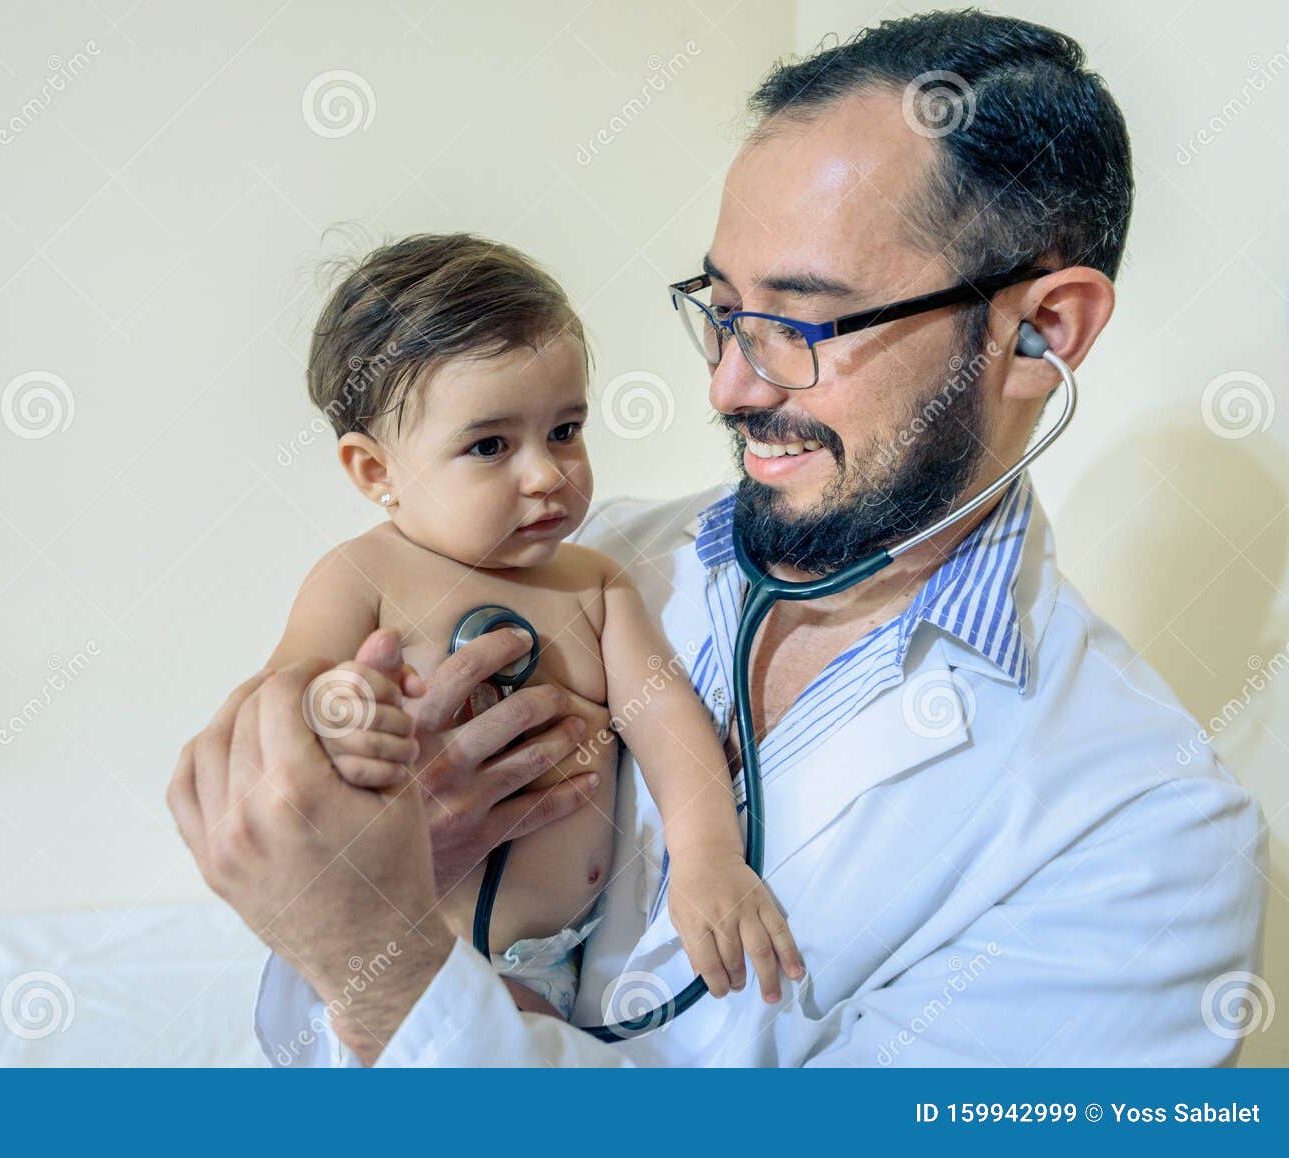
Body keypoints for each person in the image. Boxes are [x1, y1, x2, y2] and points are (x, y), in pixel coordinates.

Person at [168, 11, 1265, 1065]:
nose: (729, 385)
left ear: (1039, 332)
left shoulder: (1143, 845)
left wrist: (387, 960)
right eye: (722, 308)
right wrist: (383, 885)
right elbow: (307, 1040)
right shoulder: (581, 563)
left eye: (798, 322)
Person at [266, 233, 799, 1021]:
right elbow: (282, 706)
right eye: (489, 445)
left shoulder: (594, 585)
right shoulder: (363, 578)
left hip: (562, 965)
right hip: (417, 946)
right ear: (377, 472)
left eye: (565, 430)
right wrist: (343, 721)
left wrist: (710, 859)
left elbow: (670, 729)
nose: (548, 474)